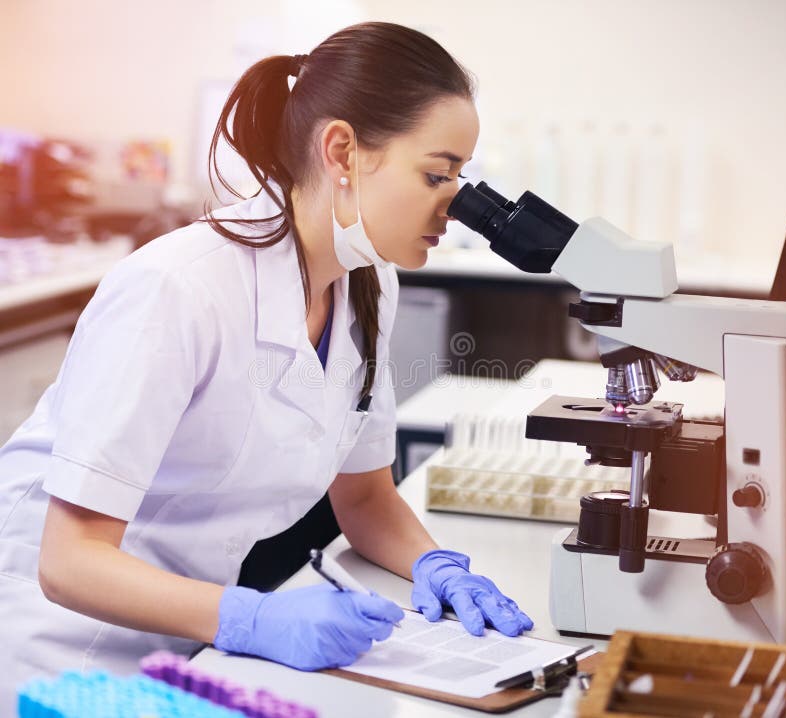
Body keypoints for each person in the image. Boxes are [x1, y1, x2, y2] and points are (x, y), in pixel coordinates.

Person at [0, 21, 532, 710]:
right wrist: (251, 618)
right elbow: (69, 563)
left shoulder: (367, 283)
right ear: (342, 150)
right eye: (436, 174)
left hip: (189, 637)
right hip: (57, 647)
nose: (455, 205)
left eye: (461, 176)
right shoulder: (179, 286)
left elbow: (365, 498)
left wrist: (438, 565)